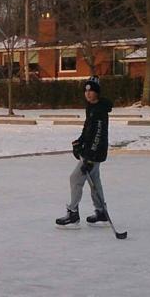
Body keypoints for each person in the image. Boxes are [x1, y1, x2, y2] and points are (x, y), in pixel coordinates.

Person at [56, 78, 112, 226]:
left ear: (97, 92)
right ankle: (101, 212)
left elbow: (98, 135)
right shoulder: (91, 107)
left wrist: (89, 157)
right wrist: (79, 142)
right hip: (92, 151)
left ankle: (73, 213)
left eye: (91, 90)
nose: (87, 93)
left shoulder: (100, 110)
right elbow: (88, 129)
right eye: (86, 91)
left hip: (95, 152)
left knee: (75, 178)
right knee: (94, 180)